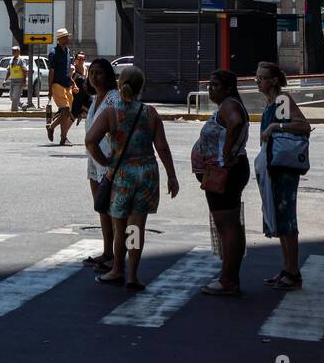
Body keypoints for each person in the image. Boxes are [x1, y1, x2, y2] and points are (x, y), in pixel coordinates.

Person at [85, 65, 179, 290]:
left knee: (120, 227)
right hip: (146, 174)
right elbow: (162, 148)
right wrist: (172, 176)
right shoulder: (150, 113)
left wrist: (106, 161)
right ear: (141, 88)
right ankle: (133, 275)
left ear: (120, 84)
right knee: (136, 228)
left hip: (121, 175)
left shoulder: (111, 113)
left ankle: (117, 269)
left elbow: (90, 141)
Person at [190, 69, 251, 296]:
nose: (210, 89)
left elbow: (234, 124)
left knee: (228, 226)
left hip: (225, 172)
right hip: (226, 170)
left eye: (215, 85)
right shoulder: (228, 104)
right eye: (210, 85)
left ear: (228, 88)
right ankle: (228, 277)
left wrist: (224, 155)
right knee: (229, 225)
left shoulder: (229, 105)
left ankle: (228, 280)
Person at [254, 61, 311, 290]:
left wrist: (276, 128)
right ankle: (287, 268)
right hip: (273, 166)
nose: (257, 81)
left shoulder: (281, 101)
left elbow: (302, 125)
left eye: (262, 78)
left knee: (286, 218)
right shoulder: (272, 103)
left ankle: (293, 271)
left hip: (283, 168)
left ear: (274, 80)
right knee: (278, 217)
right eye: (257, 77)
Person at [82, 57, 121, 271]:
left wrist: (109, 160)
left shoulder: (113, 98)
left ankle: (116, 256)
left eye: (99, 73)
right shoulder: (96, 98)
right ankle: (107, 252)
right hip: (95, 162)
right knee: (102, 209)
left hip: (108, 161)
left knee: (114, 210)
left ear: (108, 75)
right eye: (92, 73)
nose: (95, 77)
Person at [46, 28, 74, 146]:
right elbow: (51, 72)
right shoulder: (53, 53)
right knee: (65, 110)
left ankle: (51, 127)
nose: (69, 38)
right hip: (57, 84)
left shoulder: (67, 51)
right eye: (67, 37)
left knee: (69, 112)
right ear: (61, 39)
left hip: (67, 85)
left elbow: (67, 69)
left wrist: (73, 82)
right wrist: (49, 89)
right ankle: (63, 138)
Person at [71, 51, 91, 125]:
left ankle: (82, 113)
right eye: (79, 59)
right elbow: (69, 80)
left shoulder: (85, 68)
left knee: (91, 108)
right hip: (75, 95)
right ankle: (53, 127)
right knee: (71, 116)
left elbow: (87, 81)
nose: (81, 61)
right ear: (75, 59)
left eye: (83, 59)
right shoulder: (73, 68)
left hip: (84, 95)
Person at [8, 46, 26, 111]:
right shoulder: (11, 60)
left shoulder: (21, 60)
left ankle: (14, 111)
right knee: (11, 96)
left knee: (15, 97)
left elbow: (24, 71)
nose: (13, 52)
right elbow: (9, 70)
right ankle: (23, 105)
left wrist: (24, 81)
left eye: (15, 51)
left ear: (18, 52)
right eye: (12, 51)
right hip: (12, 81)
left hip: (19, 81)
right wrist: (5, 80)